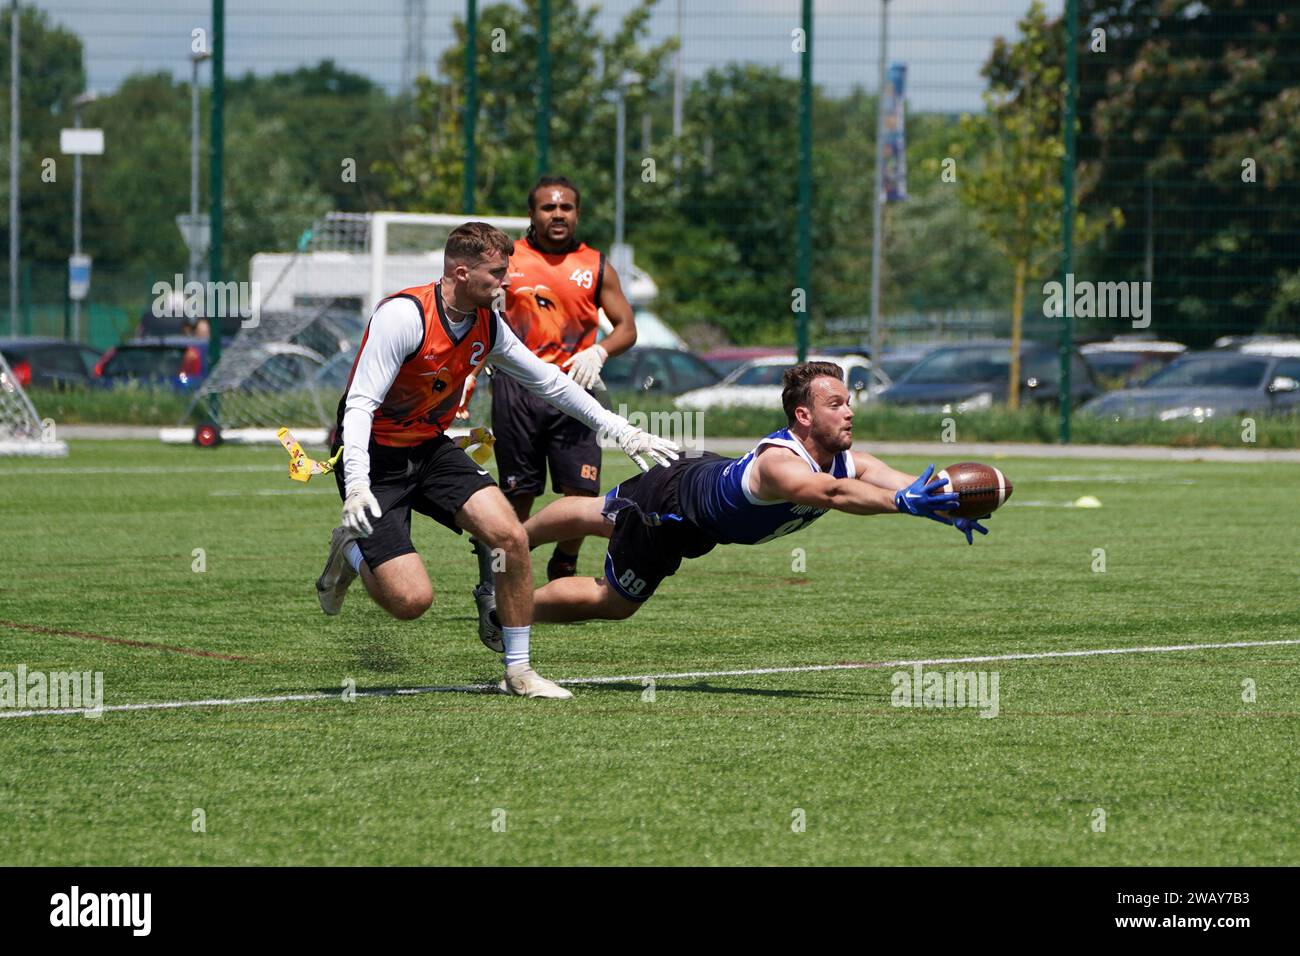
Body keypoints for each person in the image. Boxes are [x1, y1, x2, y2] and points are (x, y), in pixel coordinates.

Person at [315, 222, 678, 699]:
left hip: (429, 447)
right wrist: (357, 482)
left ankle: (519, 671)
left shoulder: (487, 321)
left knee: (509, 535)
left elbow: (548, 381)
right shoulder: (404, 316)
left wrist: (621, 429)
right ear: (461, 273)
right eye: (498, 273)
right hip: (376, 459)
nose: (507, 282)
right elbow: (360, 403)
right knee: (410, 601)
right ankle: (351, 548)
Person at [475, 362, 989, 631]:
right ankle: (509, 606)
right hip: (671, 506)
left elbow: (901, 482)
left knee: (600, 513)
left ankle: (508, 550)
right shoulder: (779, 465)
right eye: (836, 404)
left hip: (699, 492)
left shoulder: (849, 458)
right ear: (804, 416)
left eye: (849, 402)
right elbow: (832, 493)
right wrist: (903, 505)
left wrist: (941, 502)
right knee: (615, 597)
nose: (849, 412)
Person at [463, 175, 639, 582]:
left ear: (576, 214)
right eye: (548, 207)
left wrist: (600, 350)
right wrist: (471, 373)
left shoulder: (596, 264)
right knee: (519, 491)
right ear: (532, 214)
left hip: (577, 389)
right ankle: (500, 575)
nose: (557, 214)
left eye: (566, 207)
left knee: (582, 491)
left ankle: (563, 563)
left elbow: (626, 327)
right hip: (517, 390)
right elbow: (477, 315)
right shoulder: (508, 259)